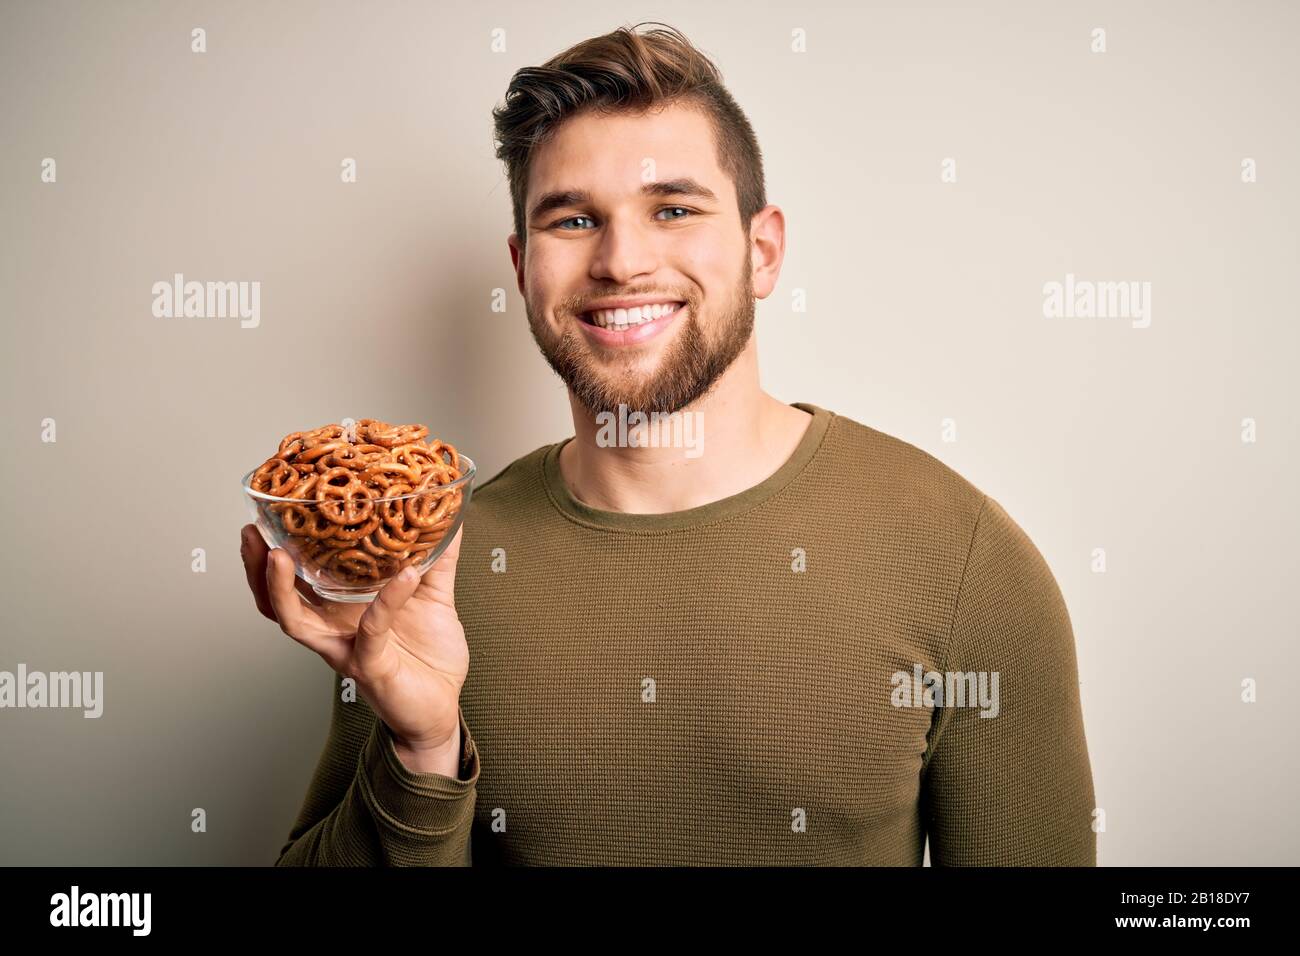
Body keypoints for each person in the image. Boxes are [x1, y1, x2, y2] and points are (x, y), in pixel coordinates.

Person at [241, 22, 1096, 866]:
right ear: (522, 266)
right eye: (573, 220)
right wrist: (420, 754)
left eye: (674, 209)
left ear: (762, 251)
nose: (622, 261)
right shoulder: (432, 569)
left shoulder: (961, 557)